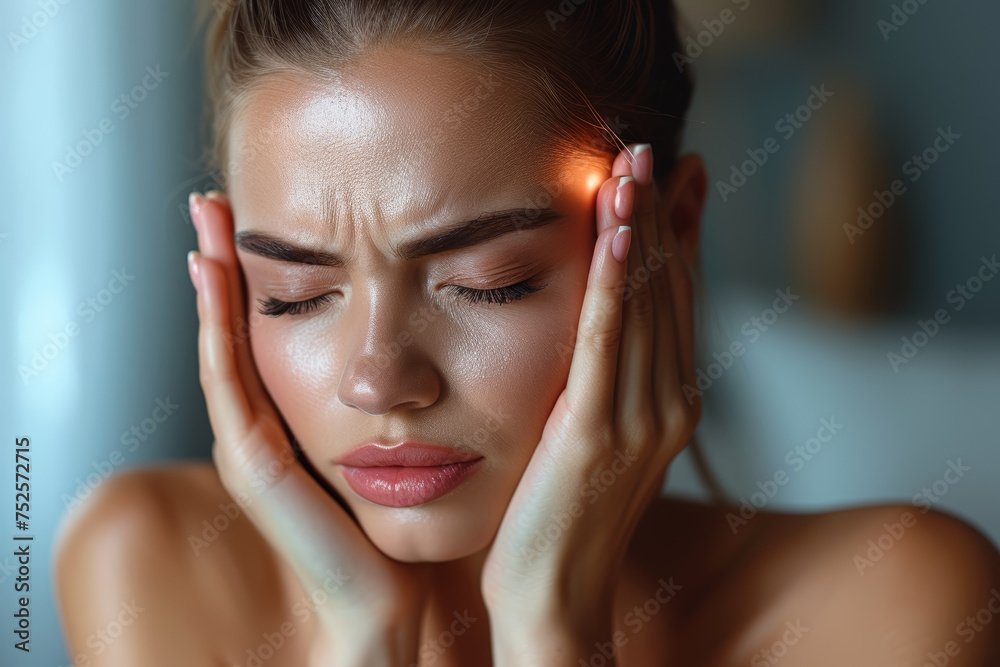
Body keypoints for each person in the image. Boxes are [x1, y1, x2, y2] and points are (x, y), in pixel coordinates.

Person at [55, 1, 1000, 665]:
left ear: (669, 237)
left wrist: (556, 635)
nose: (380, 379)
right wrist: (362, 643)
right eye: (297, 293)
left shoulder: (896, 606)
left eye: (487, 282)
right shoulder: (148, 565)